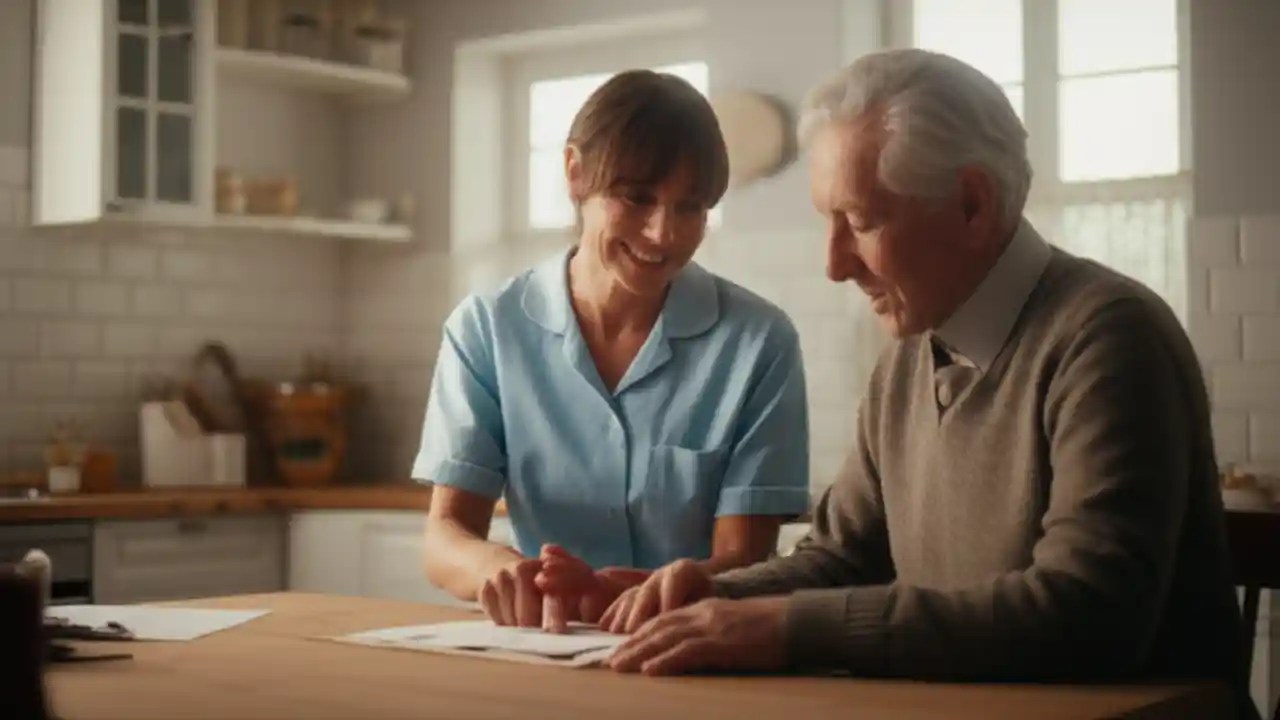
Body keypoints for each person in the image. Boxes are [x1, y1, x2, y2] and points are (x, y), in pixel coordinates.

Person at [602, 48, 1249, 710]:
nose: (834, 264)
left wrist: (786, 628)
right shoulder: (909, 355)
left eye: (860, 221)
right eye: (828, 222)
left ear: (972, 205)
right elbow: (844, 558)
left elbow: (1089, 615)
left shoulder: (1109, 337)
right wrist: (713, 595)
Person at [414, 70, 810, 631]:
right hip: (546, 644)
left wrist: (629, 594)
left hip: (693, 645)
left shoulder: (759, 341)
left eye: (690, 207)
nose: (662, 233)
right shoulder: (486, 329)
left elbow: (743, 560)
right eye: (637, 198)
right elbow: (445, 536)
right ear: (575, 172)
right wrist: (500, 570)